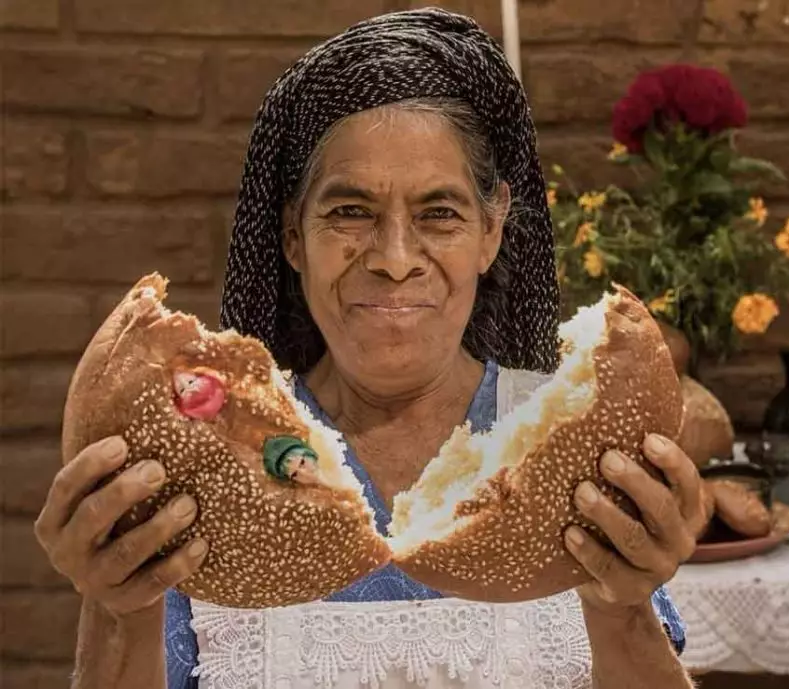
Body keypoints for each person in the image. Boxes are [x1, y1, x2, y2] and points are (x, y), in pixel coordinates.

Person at [35, 9, 706, 688]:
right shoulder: (199, 459)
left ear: (492, 229)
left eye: (439, 213)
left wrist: (622, 614)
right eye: (349, 211)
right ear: (293, 235)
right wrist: (115, 611)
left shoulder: (579, 449)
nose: (393, 258)